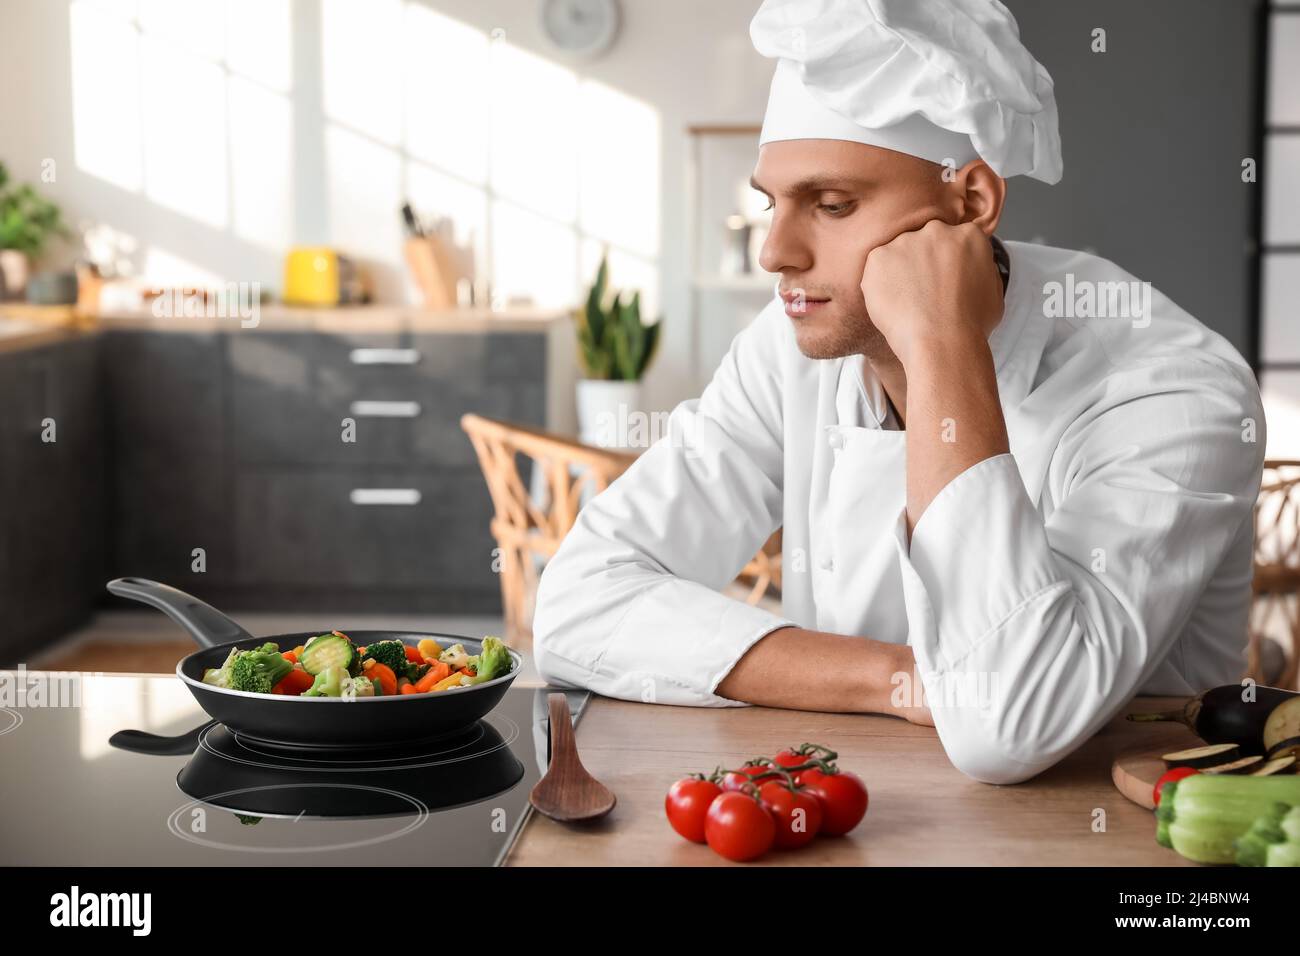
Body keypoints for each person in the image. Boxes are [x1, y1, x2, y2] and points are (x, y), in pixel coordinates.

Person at [532, 0, 1265, 784]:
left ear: (970, 203)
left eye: (833, 205)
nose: (776, 253)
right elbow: (577, 606)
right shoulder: (790, 348)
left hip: (1099, 838)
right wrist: (897, 679)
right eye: (770, 203)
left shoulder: (1173, 390)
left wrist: (942, 345)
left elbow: (1004, 722)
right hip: (851, 806)